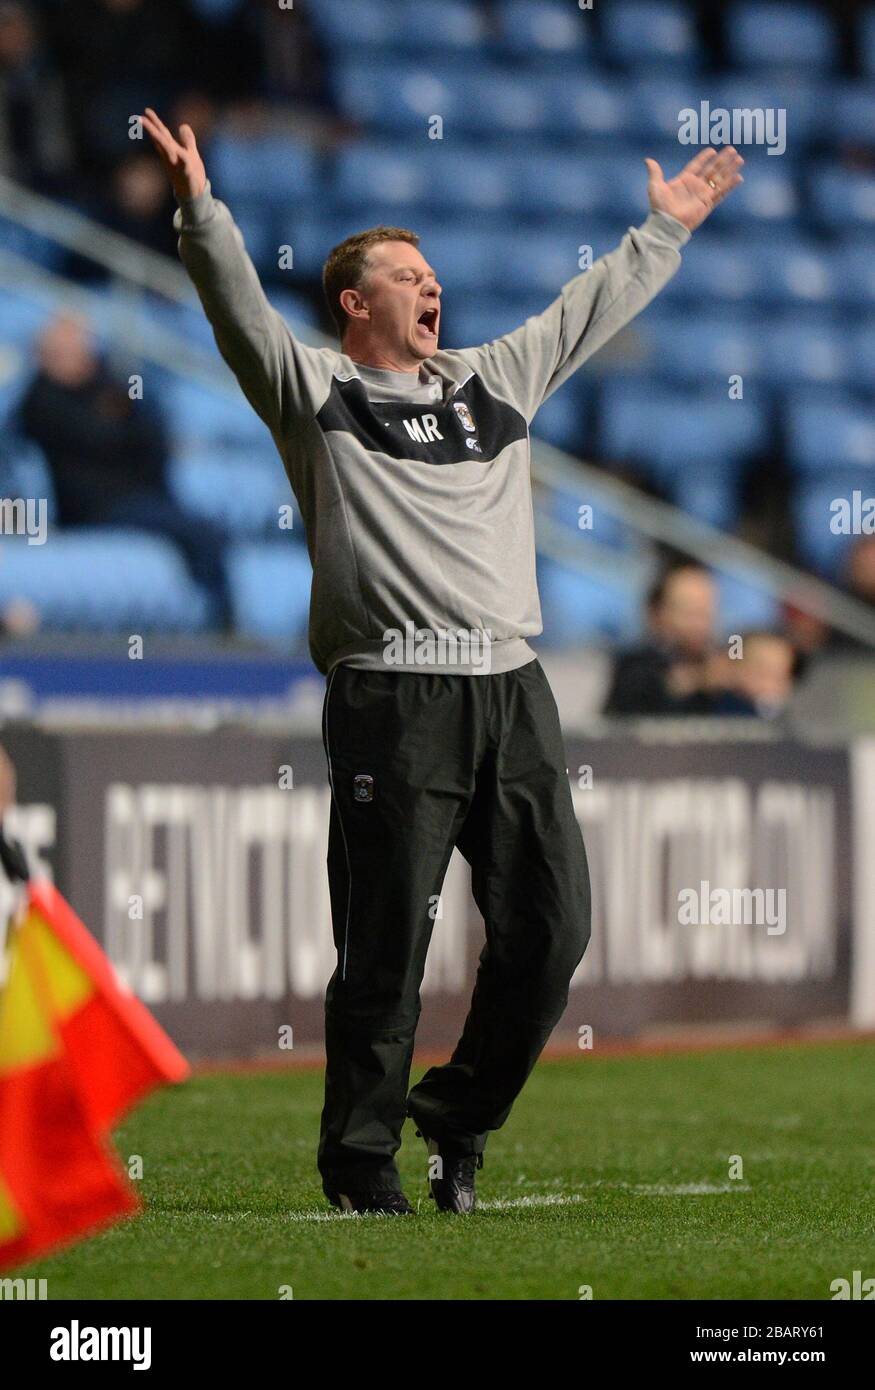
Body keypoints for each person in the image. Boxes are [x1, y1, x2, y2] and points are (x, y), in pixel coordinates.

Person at [142, 106, 743, 1214]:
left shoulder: (491, 381)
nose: (429, 288)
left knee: (552, 928)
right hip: (391, 690)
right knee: (384, 944)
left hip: (512, 686)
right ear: (353, 303)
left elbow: (583, 310)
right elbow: (236, 315)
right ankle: (360, 1165)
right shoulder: (312, 390)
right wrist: (201, 211)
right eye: (404, 276)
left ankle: (456, 1114)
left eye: (431, 274)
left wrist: (661, 231)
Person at [19, 314, 231, 627]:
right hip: (95, 509)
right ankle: (223, 625)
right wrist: (116, 421)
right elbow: (100, 437)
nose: (81, 357)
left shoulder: (105, 387)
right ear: (45, 356)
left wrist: (117, 417)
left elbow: (150, 432)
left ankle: (216, 619)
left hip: (140, 496)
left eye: (81, 347)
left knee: (209, 528)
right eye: (66, 350)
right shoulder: (40, 401)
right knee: (198, 532)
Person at [604, 560, 727, 716]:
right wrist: (697, 682)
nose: (700, 625)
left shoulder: (721, 660)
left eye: (706, 613)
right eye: (689, 613)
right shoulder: (634, 666)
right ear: (657, 613)